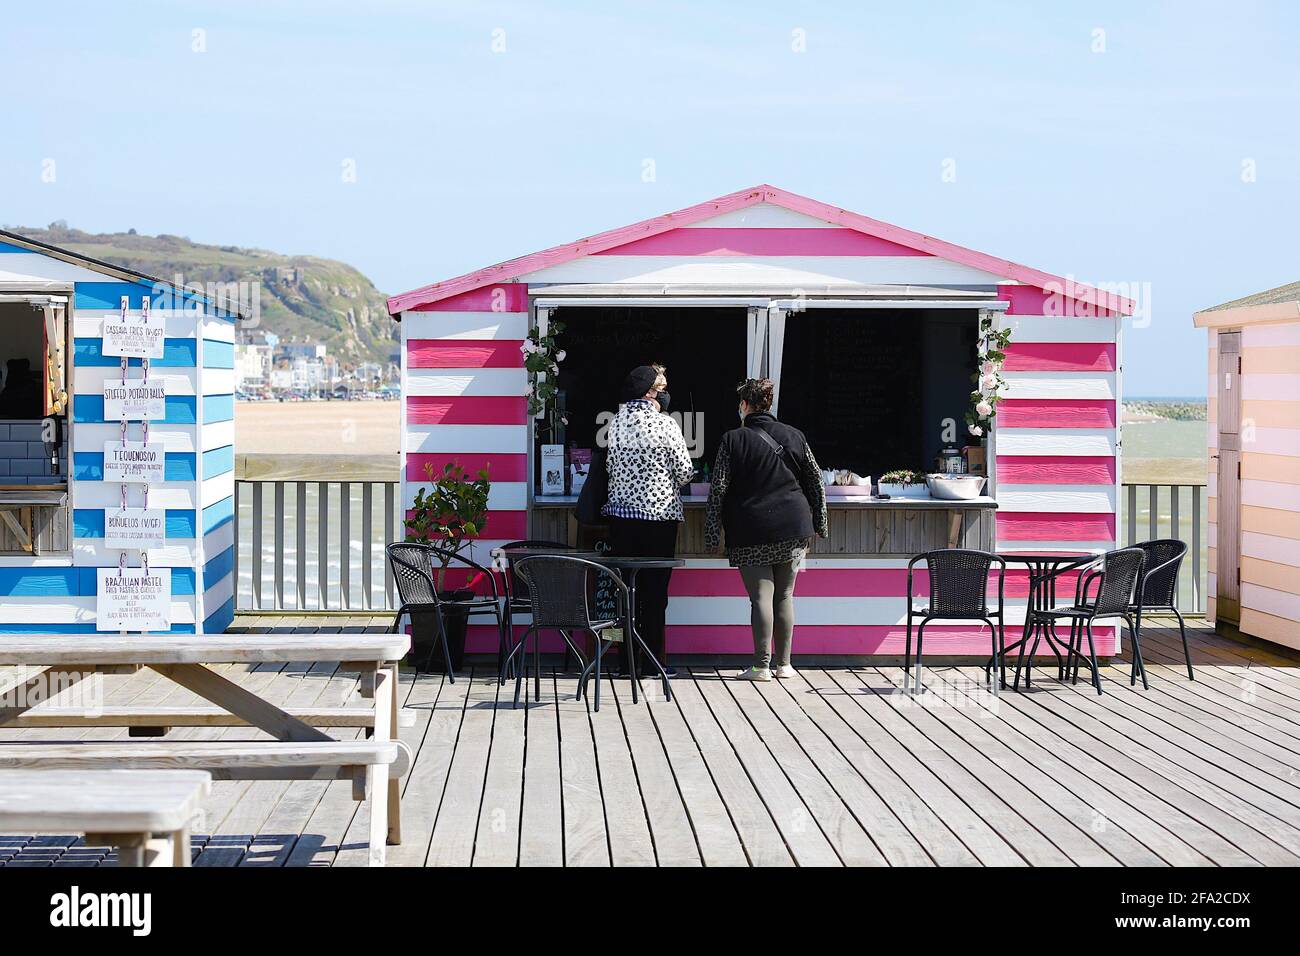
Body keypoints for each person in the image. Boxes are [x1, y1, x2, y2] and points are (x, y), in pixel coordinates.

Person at [705, 378, 828, 681]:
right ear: (768, 404)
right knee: (784, 596)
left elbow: (718, 489)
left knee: (761, 597)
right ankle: (784, 665)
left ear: (745, 405)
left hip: (750, 528)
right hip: (793, 527)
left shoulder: (732, 440)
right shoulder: (794, 435)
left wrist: (712, 533)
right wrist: (820, 524)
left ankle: (761, 666)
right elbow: (815, 481)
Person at [602, 363, 693, 677]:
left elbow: (610, 469)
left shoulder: (613, 424)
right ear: (650, 393)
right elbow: (684, 471)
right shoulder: (665, 425)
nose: (666, 395)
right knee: (654, 596)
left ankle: (625, 661)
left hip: (621, 520)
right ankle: (652, 664)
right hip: (658, 519)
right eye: (663, 389)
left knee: (624, 591)